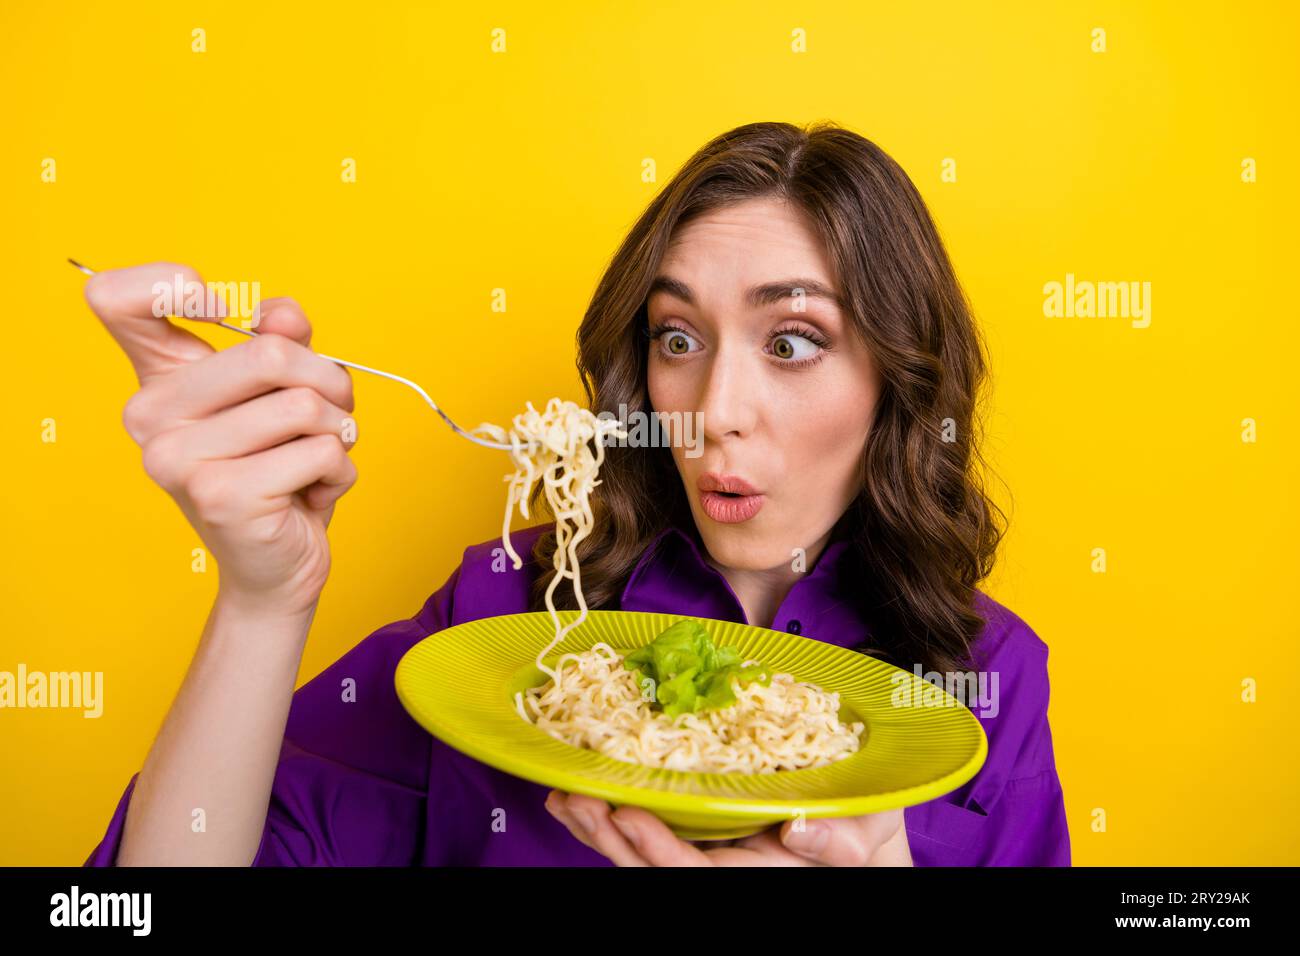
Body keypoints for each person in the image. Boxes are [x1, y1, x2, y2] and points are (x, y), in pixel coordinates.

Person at [83, 120, 1069, 867]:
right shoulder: (507, 615)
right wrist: (264, 599)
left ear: (896, 380)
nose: (713, 410)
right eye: (676, 337)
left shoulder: (990, 676)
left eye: (791, 341)